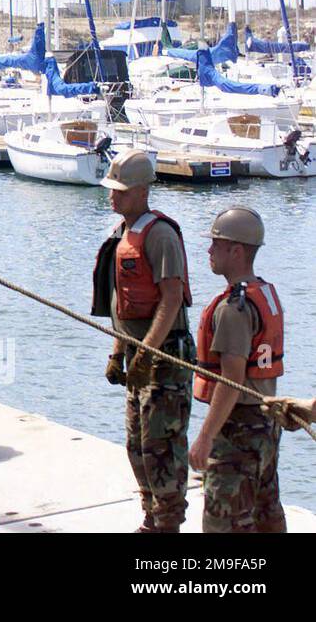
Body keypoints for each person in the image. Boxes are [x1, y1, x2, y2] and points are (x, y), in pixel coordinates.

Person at [92, 150, 194, 533]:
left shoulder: (161, 235)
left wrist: (148, 353)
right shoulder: (122, 235)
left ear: (140, 191)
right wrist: (119, 352)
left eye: (119, 190)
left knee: (162, 446)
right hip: (137, 355)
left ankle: (167, 522)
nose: (112, 196)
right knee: (137, 445)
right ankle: (151, 518)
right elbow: (123, 303)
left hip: (164, 358)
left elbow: (170, 298)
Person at [188, 207, 287, 533]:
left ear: (237, 250)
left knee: (224, 522)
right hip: (266, 424)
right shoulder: (266, 294)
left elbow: (229, 380)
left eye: (216, 244)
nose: (209, 250)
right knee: (265, 514)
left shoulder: (234, 308)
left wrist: (204, 438)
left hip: (239, 429)